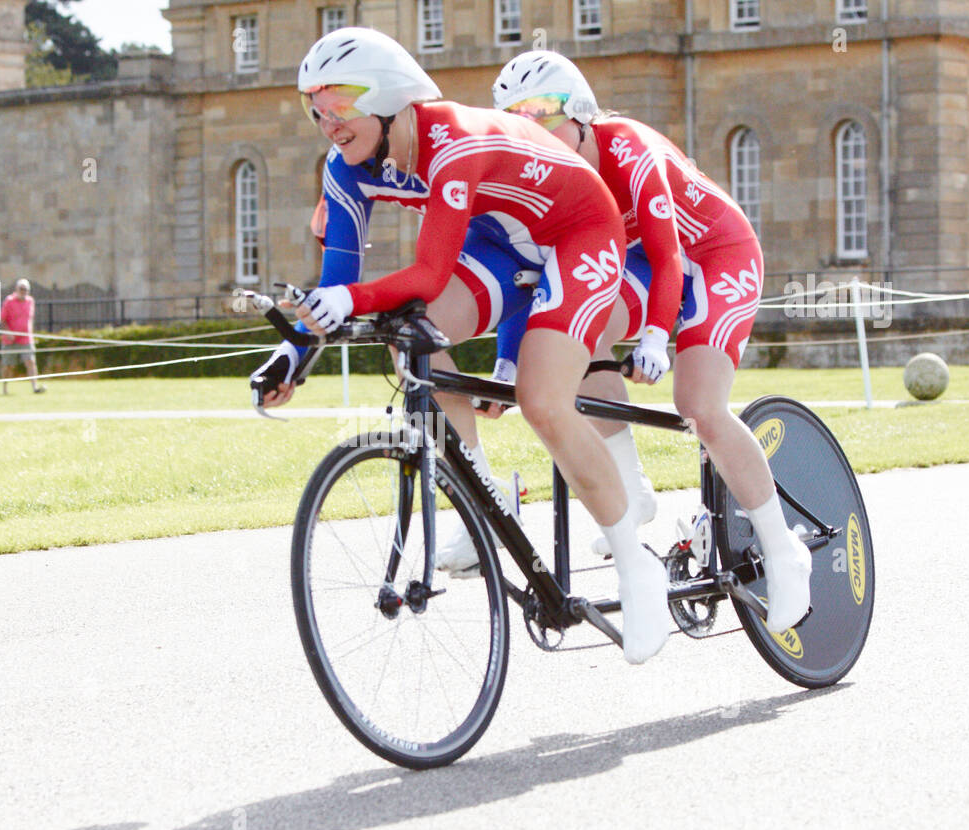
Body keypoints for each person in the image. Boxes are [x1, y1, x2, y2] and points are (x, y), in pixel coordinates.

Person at [260, 26, 672, 663]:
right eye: (313, 107)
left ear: (391, 95)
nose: (327, 121)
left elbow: (425, 274)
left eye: (339, 102)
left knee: (542, 400)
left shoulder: (450, 142)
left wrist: (350, 302)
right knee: (410, 337)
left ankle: (636, 568)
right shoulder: (346, 172)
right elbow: (337, 284)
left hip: (576, 229)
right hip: (503, 240)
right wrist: (293, 355)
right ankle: (484, 489)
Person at [493, 50, 811, 635]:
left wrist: (659, 338)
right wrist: (508, 359)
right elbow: (536, 279)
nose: (533, 129)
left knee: (699, 405)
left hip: (712, 255)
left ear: (581, 113)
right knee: (576, 329)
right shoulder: (548, 182)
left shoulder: (626, 148)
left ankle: (783, 547)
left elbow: (669, 256)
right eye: (518, 119)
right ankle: (631, 486)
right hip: (646, 264)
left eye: (544, 113)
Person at [0, 277, 45, 395]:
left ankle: (35, 387)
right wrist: (8, 332)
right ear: (16, 289)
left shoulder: (30, 301)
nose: (23, 291)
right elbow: (2, 319)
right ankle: (4, 388)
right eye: (21, 289)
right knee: (8, 366)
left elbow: (29, 320)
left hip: (26, 338)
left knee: (31, 361)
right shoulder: (9, 301)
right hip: (10, 340)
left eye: (26, 289)